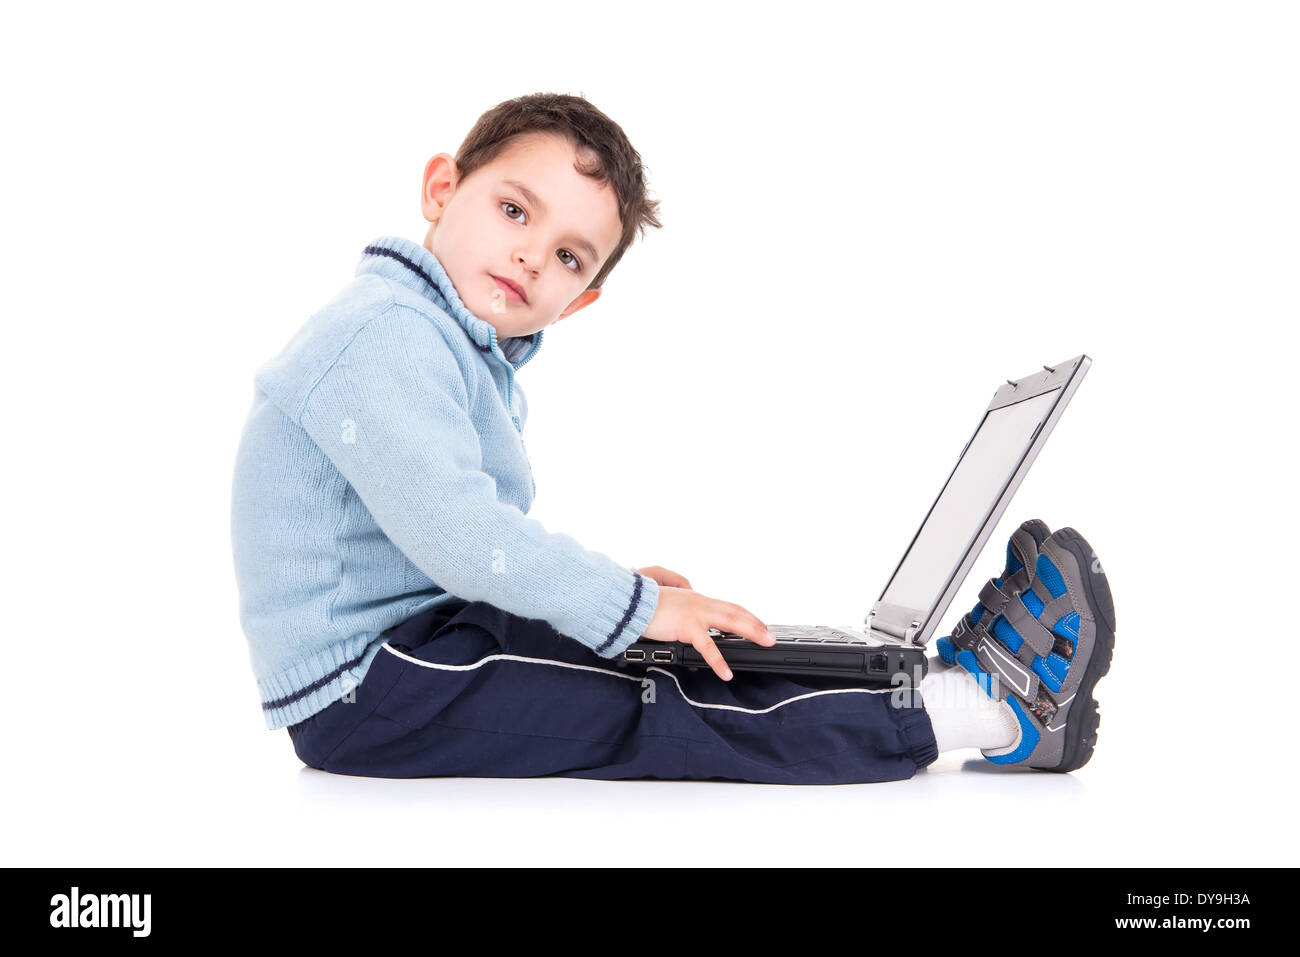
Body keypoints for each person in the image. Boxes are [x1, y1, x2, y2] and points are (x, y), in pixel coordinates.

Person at [231, 93, 1116, 783]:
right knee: (653, 700)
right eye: (513, 210)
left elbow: (459, 538)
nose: (534, 256)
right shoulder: (386, 330)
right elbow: (470, 539)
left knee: (665, 651)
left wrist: (614, 601)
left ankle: (911, 679)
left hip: (411, 650)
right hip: (369, 687)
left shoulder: (447, 343)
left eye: (571, 256)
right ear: (440, 189)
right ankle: (989, 709)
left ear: (581, 300)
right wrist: (632, 605)